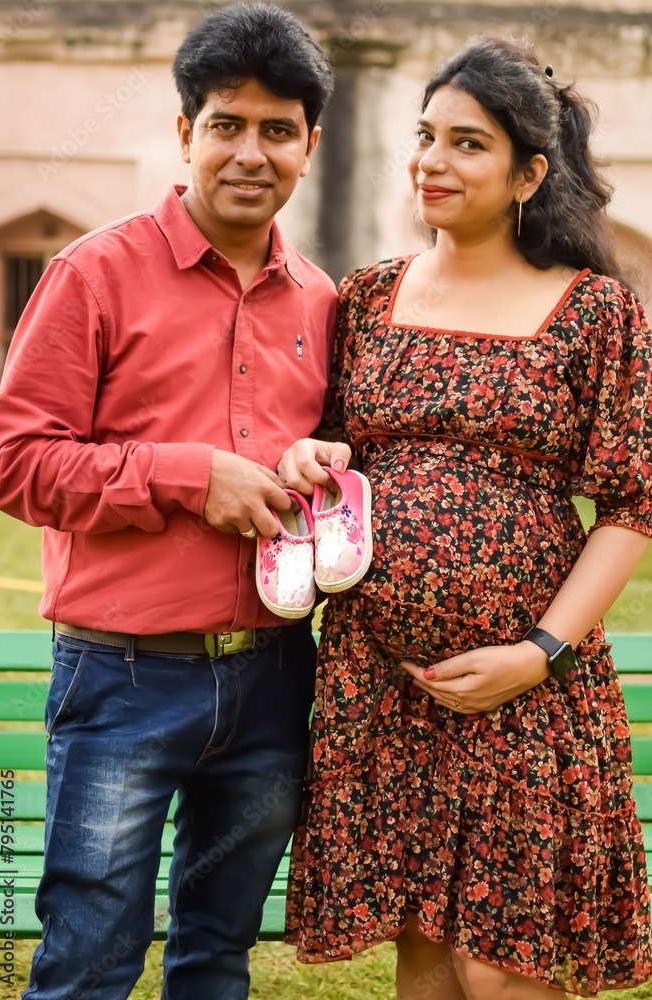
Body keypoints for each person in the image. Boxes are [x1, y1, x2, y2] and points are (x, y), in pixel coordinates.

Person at [0, 5, 349, 998]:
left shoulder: (322, 302)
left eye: (277, 130)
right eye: (226, 123)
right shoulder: (90, 274)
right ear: (184, 131)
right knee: (88, 964)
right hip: (121, 681)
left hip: (274, 678)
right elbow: (14, 462)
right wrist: (190, 476)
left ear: (309, 146)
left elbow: (332, 470)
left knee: (215, 957)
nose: (249, 151)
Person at [280, 36, 652, 1000]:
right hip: (381, 684)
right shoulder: (365, 297)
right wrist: (305, 458)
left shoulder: (593, 313)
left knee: (502, 971)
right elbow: (325, 452)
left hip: (525, 685)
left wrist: (539, 651)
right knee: (425, 959)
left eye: (466, 145)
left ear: (530, 173)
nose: (431, 162)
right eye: (424, 136)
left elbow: (634, 500)